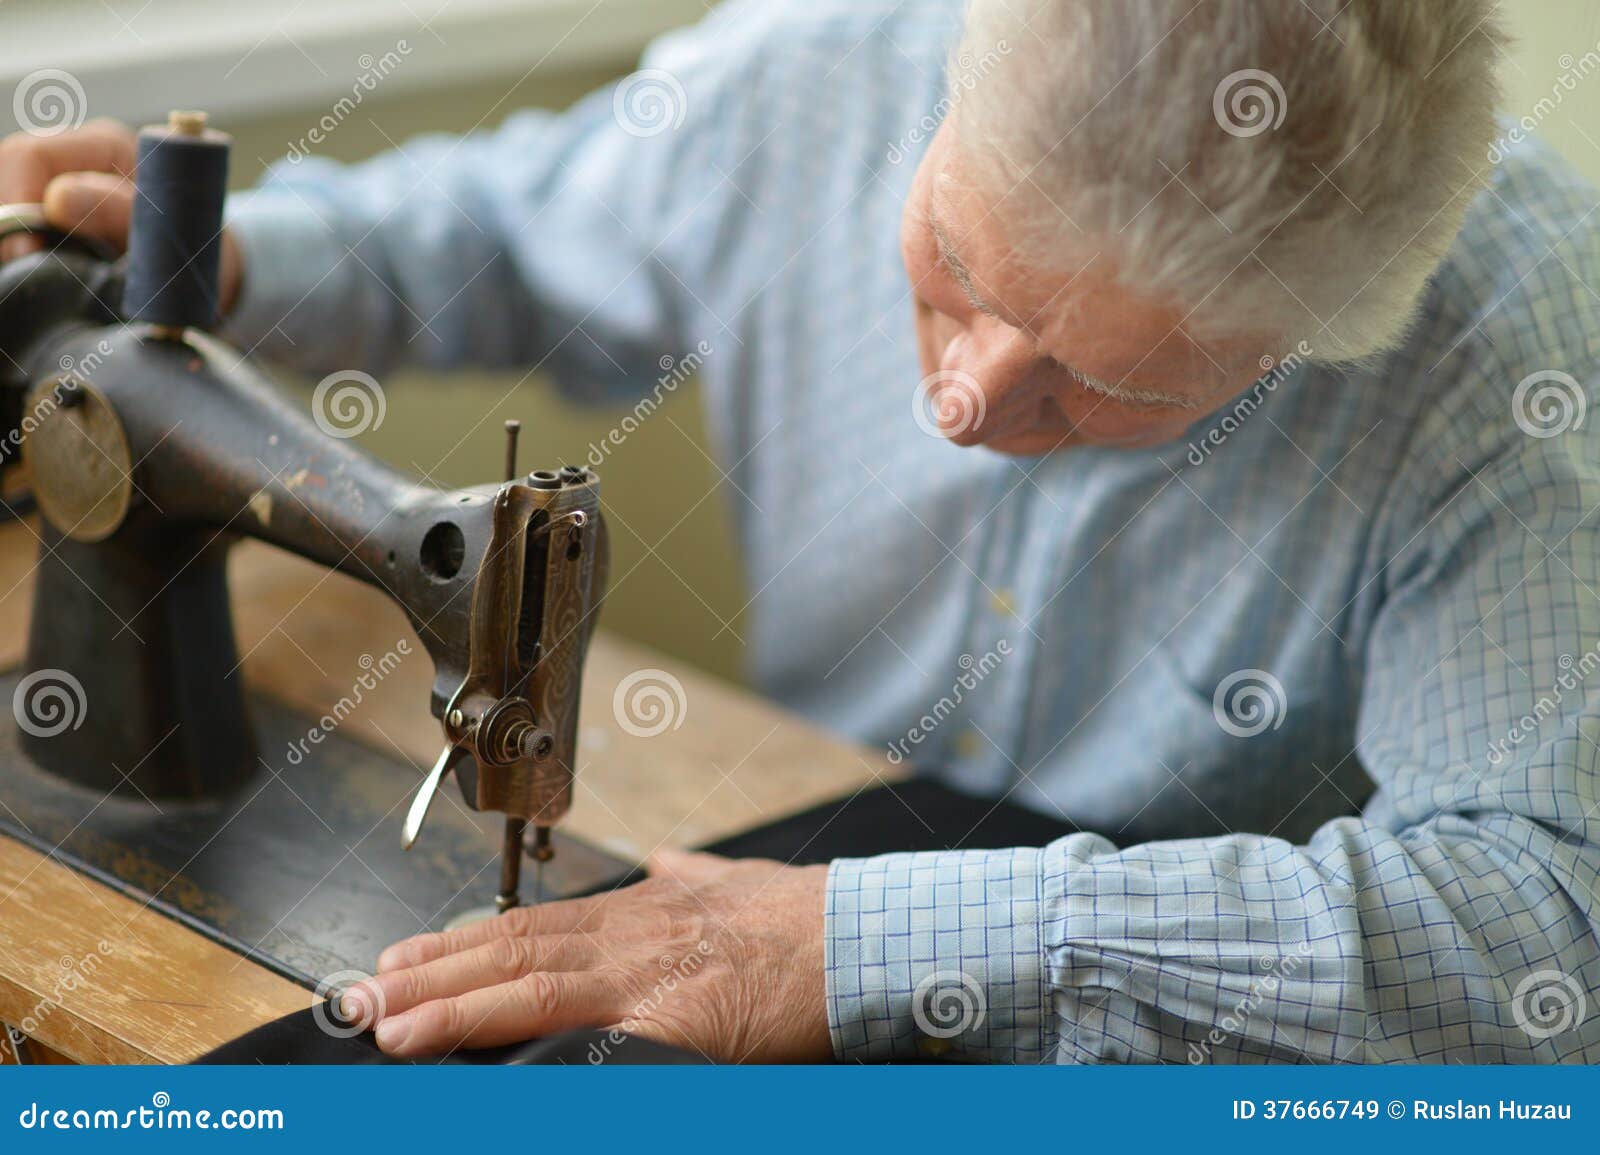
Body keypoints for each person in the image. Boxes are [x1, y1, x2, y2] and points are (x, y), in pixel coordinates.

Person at [4, 0, 1597, 1064]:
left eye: (1108, 383)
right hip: (798, 813)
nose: (970, 403)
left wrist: (862, 946)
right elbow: (500, 232)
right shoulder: (822, 71)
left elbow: (1550, 927)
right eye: (960, 262)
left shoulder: (1515, 359)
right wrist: (229, 272)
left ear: (1309, 339)